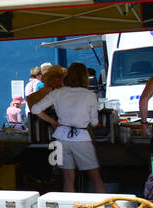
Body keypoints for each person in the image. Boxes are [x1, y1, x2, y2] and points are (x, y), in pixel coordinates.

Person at [31, 62, 106, 193]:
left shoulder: (58, 93)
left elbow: (35, 109)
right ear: (85, 77)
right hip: (81, 138)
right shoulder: (90, 95)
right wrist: (95, 124)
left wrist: (53, 121)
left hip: (60, 138)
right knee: (95, 177)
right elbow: (94, 122)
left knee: (67, 178)